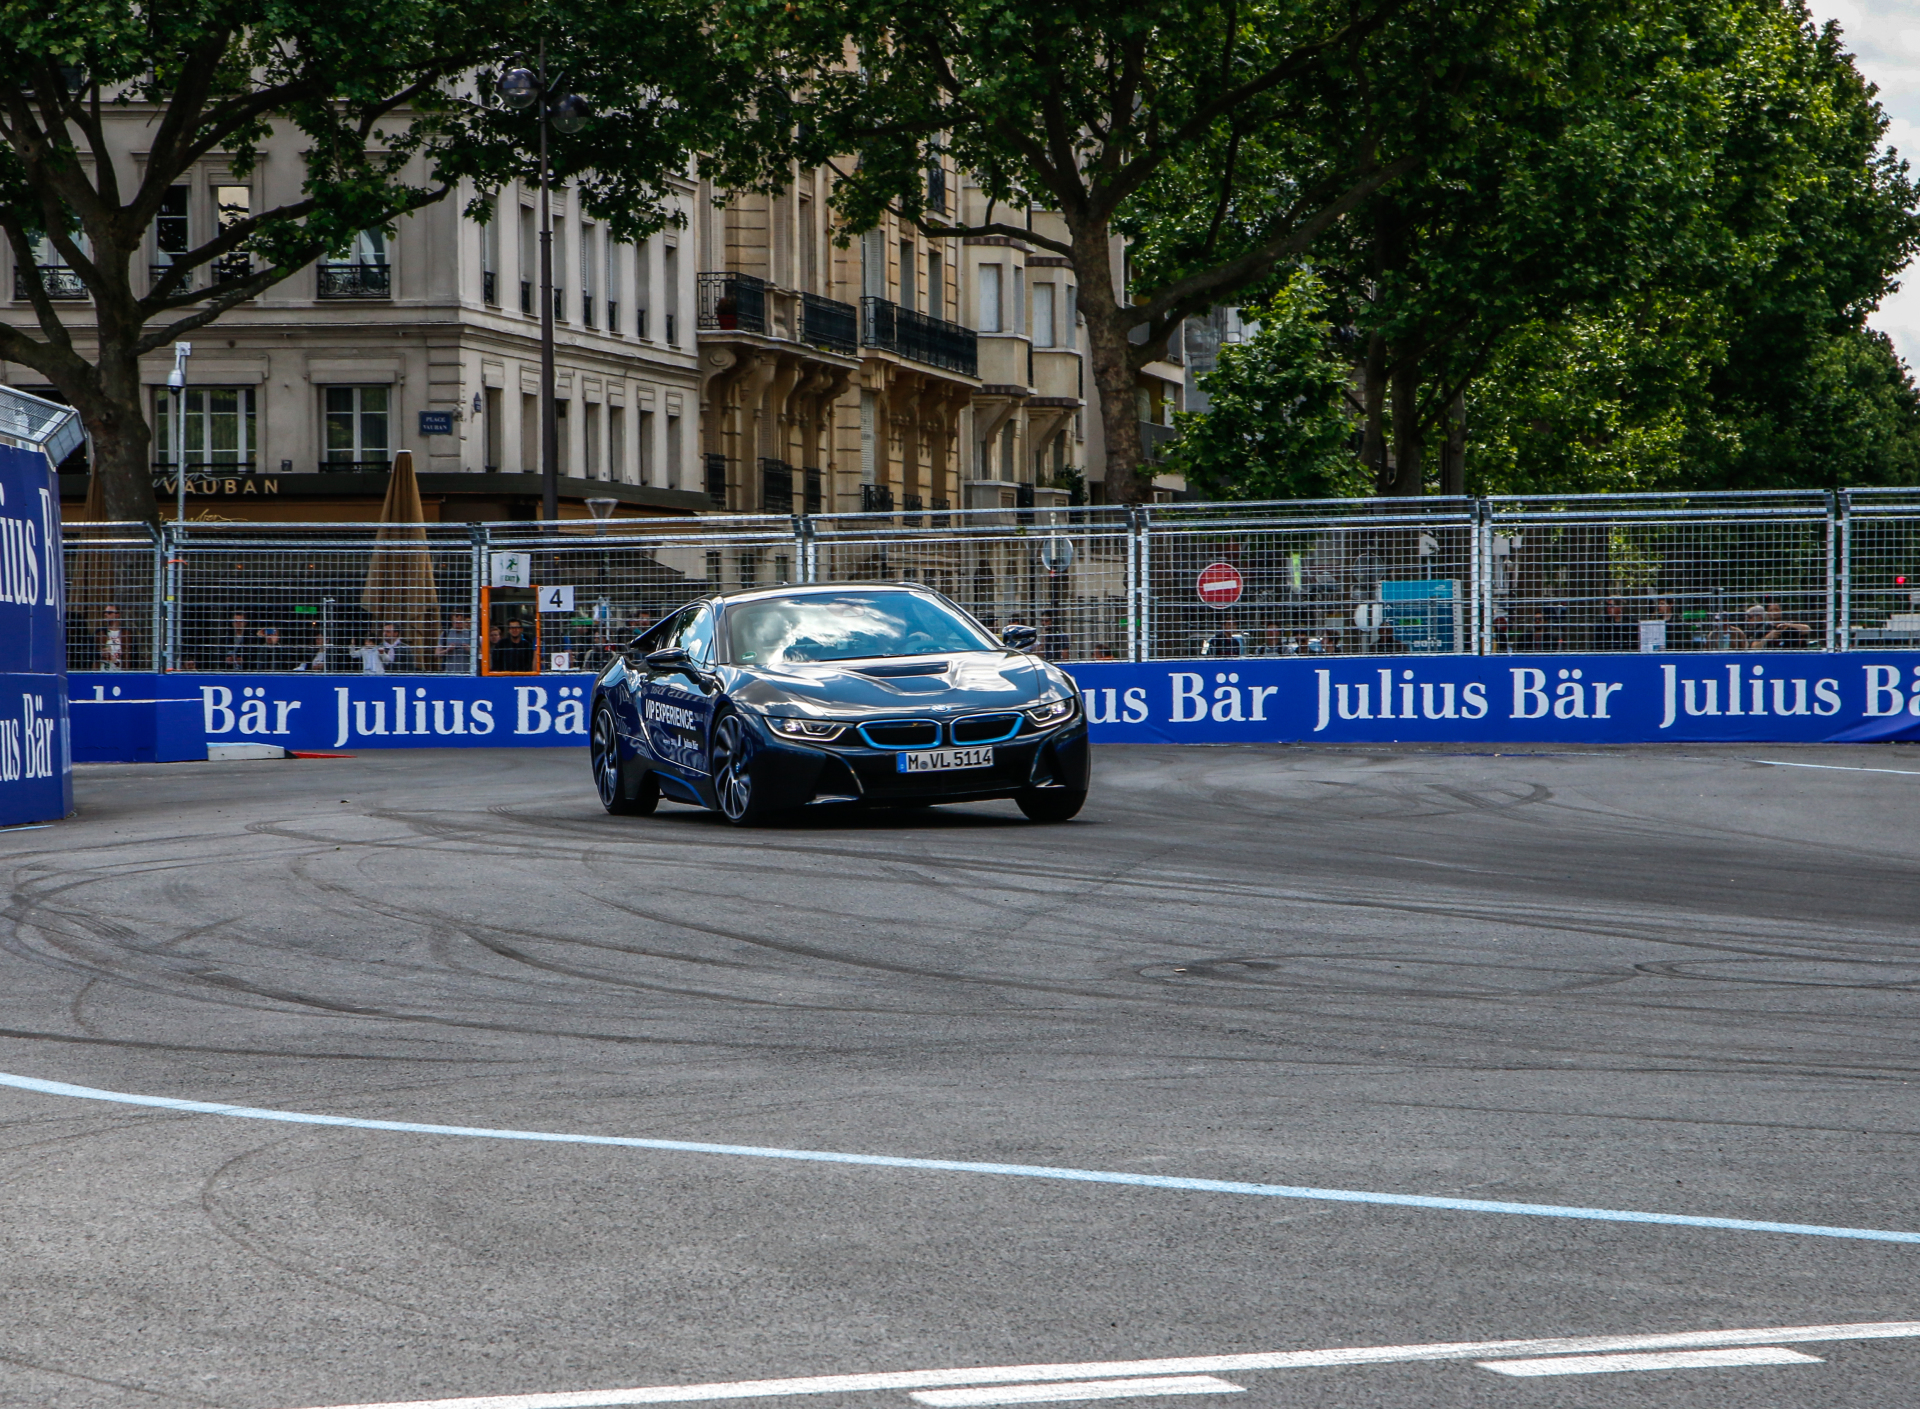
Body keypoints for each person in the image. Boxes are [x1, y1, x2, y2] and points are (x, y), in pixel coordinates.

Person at [95, 603, 128, 670]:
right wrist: (100, 653)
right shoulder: (100, 633)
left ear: (117, 615)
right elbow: (91, 653)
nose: (105, 614)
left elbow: (131, 655)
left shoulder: (126, 633)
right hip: (103, 672)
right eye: (105, 613)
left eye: (109, 613)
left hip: (120, 673)